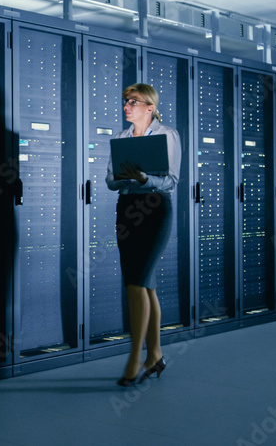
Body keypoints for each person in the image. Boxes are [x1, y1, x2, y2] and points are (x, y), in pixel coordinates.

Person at [106, 83, 181, 386]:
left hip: (155, 209)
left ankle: (134, 360)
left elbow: (171, 181)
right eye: (125, 101)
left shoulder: (167, 135)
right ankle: (156, 356)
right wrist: (125, 177)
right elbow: (110, 181)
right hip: (127, 209)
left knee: (137, 284)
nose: (126, 106)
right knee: (143, 285)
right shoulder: (122, 138)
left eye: (133, 101)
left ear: (150, 107)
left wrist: (144, 178)